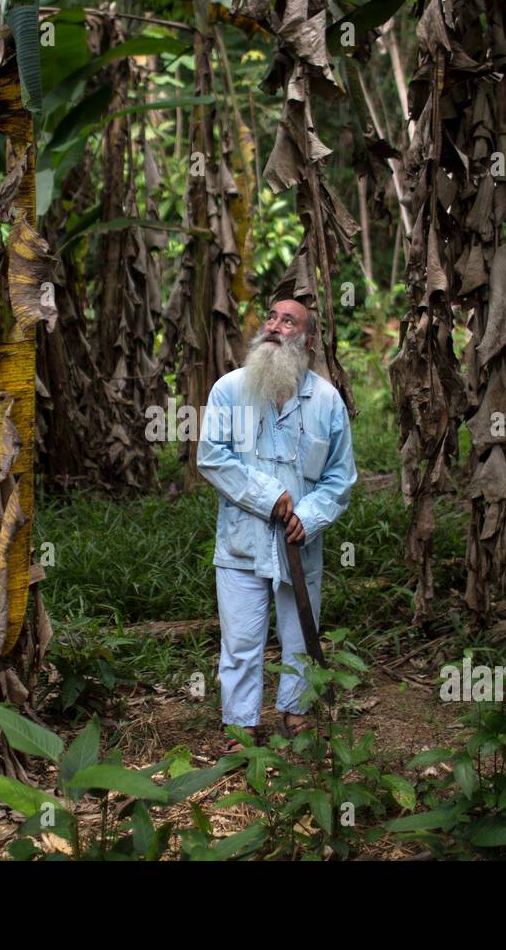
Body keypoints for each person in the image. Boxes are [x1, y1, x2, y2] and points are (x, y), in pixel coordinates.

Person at [196, 297, 358, 754]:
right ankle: (241, 726)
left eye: (289, 321)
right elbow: (211, 457)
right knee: (242, 641)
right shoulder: (229, 390)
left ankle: (296, 714)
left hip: (299, 544)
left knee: (299, 637)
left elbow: (340, 478)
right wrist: (270, 498)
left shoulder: (326, 401)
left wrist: (308, 516)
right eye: (271, 317)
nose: (275, 326)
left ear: (307, 341)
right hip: (241, 544)